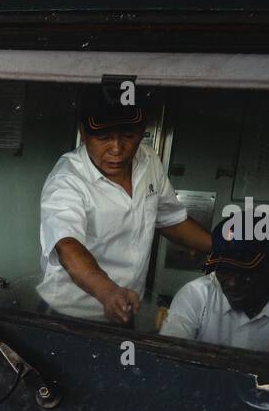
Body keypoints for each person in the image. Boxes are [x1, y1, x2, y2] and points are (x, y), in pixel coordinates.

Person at [39, 87, 211, 324]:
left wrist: (223, 250)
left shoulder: (149, 161)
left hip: (126, 308)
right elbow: (67, 247)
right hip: (71, 315)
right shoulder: (67, 180)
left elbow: (171, 220)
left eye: (128, 136)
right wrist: (108, 292)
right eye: (103, 138)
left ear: (142, 132)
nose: (117, 148)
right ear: (83, 132)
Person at [160, 218, 269, 356]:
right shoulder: (197, 294)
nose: (232, 283)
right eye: (223, 269)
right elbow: (169, 359)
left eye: (246, 271)